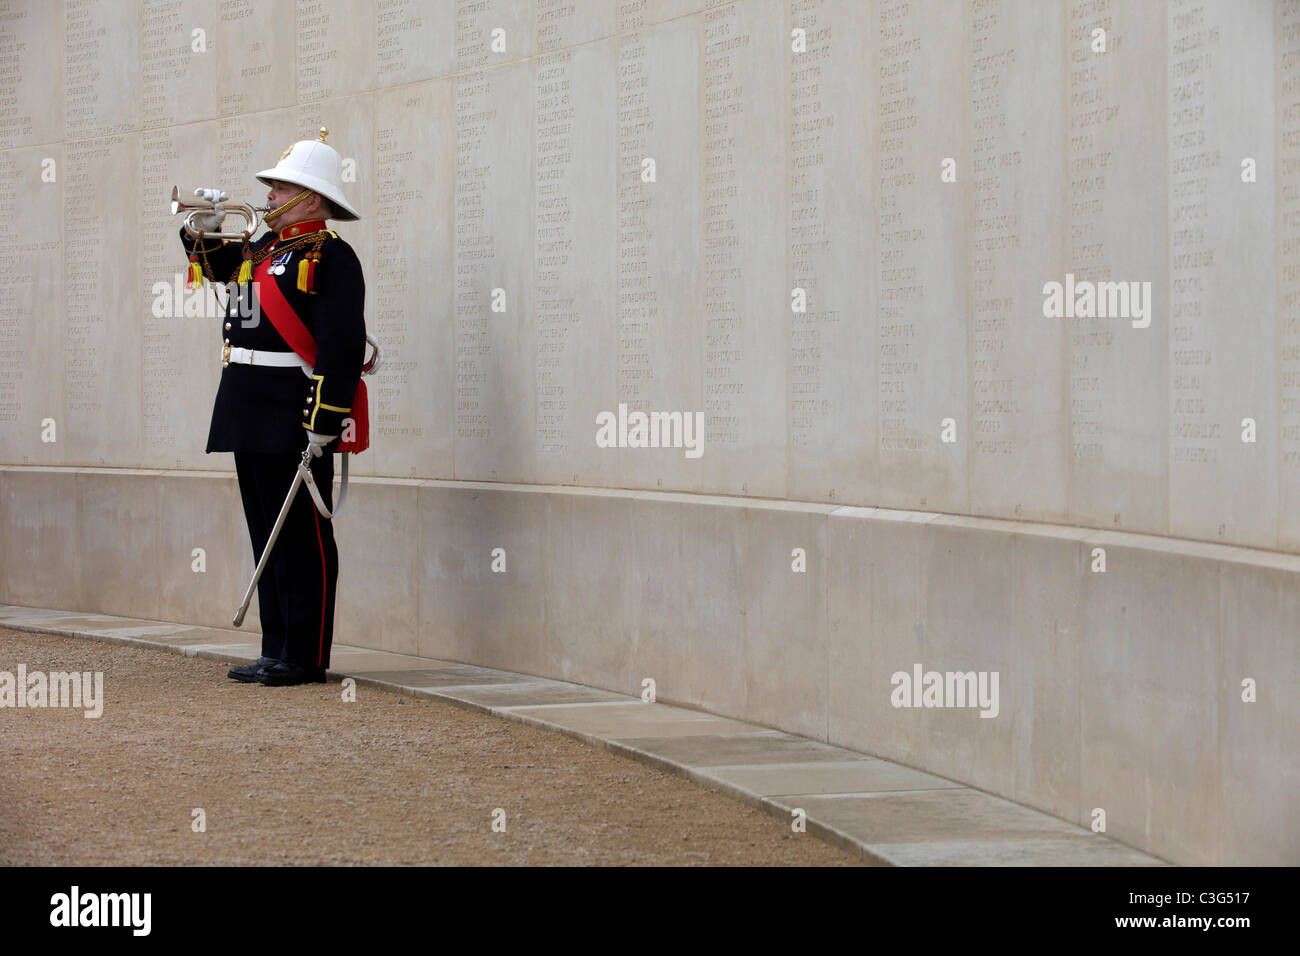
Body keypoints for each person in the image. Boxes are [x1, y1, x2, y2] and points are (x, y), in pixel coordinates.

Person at [180, 127, 367, 686]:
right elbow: (219, 274)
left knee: (302, 536)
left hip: (295, 409)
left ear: (311, 198)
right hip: (246, 403)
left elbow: (341, 346)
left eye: (280, 188)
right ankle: (275, 645)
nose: (268, 197)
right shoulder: (262, 250)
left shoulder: (332, 256)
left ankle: (305, 654)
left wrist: (324, 422)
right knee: (266, 530)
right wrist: (203, 230)